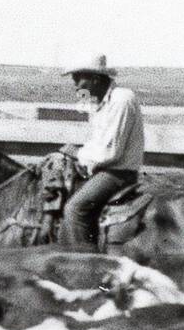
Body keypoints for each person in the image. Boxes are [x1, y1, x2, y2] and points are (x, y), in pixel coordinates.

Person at [59, 55, 144, 247]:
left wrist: (78, 154)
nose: (74, 85)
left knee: (75, 208)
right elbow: (94, 135)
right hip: (102, 169)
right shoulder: (101, 100)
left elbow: (109, 152)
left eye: (77, 78)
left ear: (95, 79)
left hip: (117, 173)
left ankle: (85, 264)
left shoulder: (122, 99)